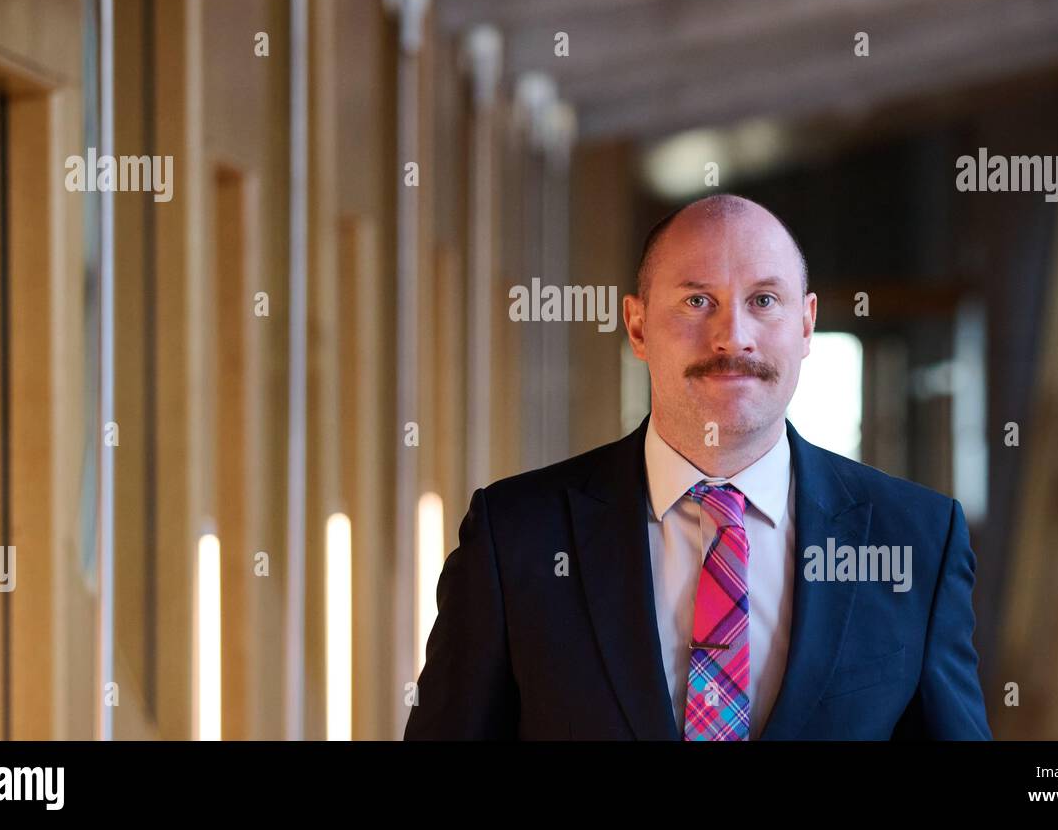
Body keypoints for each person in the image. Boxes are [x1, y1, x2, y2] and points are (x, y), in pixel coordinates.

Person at [404, 193, 992, 740]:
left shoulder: (918, 539)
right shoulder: (515, 536)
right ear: (637, 326)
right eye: (697, 301)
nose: (732, 338)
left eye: (764, 301)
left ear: (806, 324)